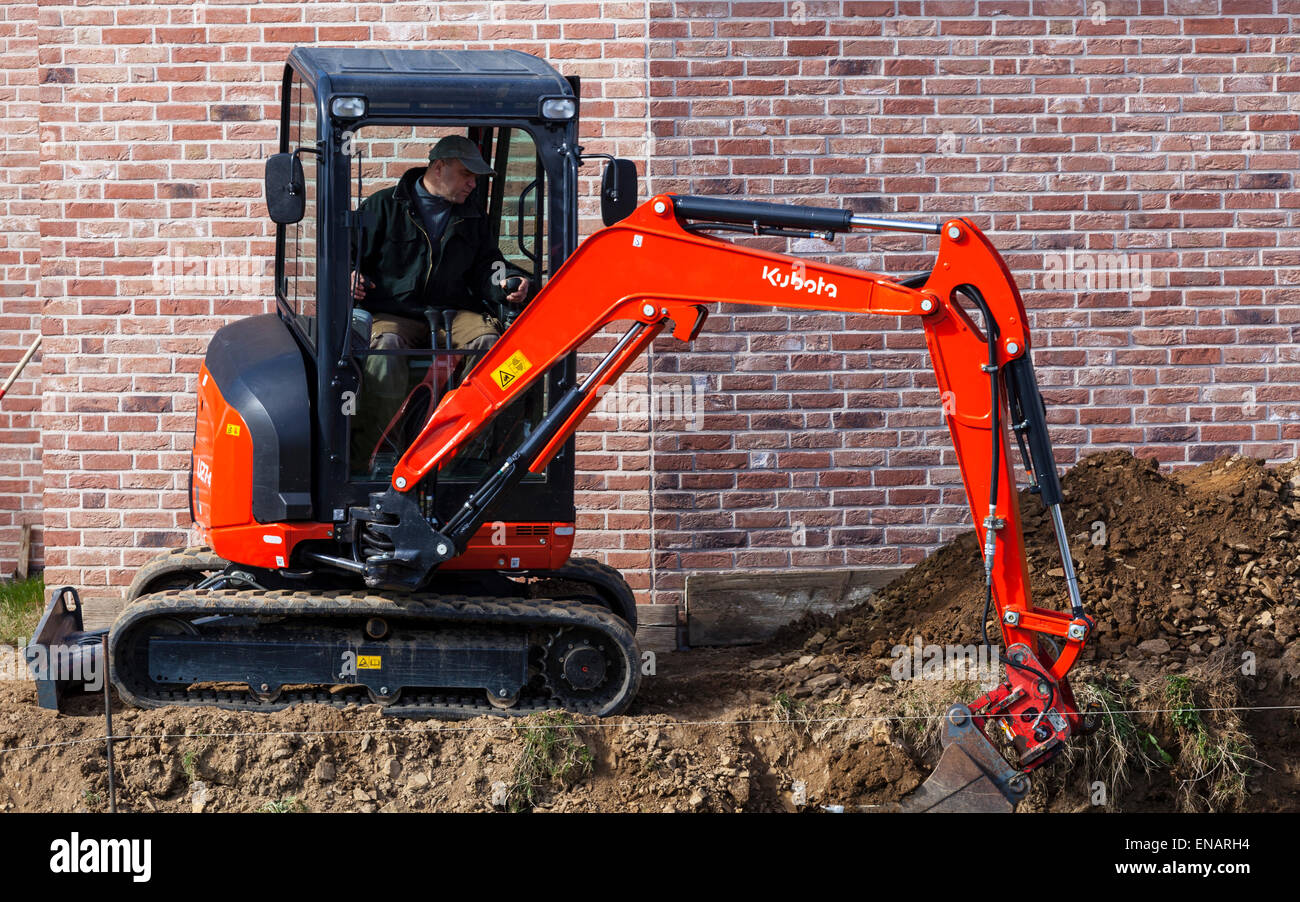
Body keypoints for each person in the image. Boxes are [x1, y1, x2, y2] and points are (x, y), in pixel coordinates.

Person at [350, 135, 530, 472]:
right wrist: (350, 274)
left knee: (491, 344)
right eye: (467, 175)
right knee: (386, 347)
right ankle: (378, 454)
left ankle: (468, 455)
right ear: (439, 167)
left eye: (475, 178)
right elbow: (347, 255)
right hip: (395, 311)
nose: (472, 184)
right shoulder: (382, 207)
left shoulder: (472, 215)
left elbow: (487, 266)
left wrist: (507, 282)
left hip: (453, 311)